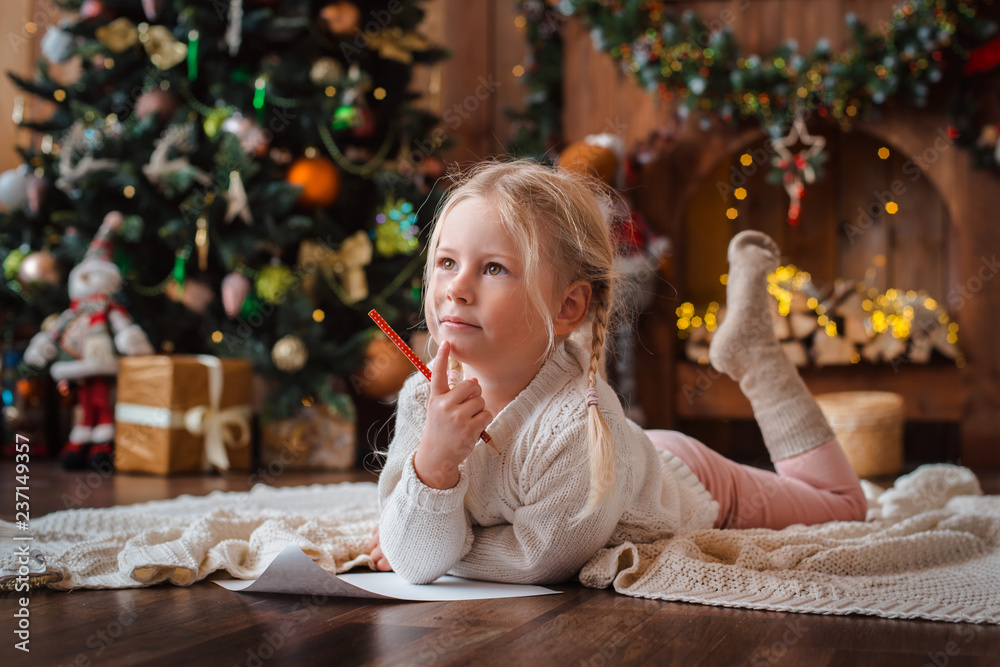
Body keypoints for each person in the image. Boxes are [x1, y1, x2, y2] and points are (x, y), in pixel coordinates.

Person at [370, 160, 866, 585]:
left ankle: (758, 358)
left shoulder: (574, 425)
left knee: (844, 507)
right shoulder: (422, 398)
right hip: (628, 457)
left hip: (692, 485)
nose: (455, 288)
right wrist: (432, 463)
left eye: (493, 268)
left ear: (568, 306)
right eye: (447, 262)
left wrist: (433, 546)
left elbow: (539, 559)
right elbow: (415, 550)